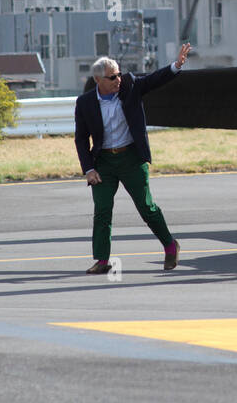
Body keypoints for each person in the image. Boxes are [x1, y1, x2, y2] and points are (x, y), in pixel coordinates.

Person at [74, 43, 192, 274]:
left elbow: (154, 79)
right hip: (104, 163)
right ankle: (102, 260)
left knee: (146, 207)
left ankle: (170, 245)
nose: (118, 79)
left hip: (130, 157)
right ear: (98, 80)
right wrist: (88, 169)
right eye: (112, 77)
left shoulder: (130, 86)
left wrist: (176, 66)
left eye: (119, 74)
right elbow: (81, 139)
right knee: (102, 210)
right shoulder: (85, 103)